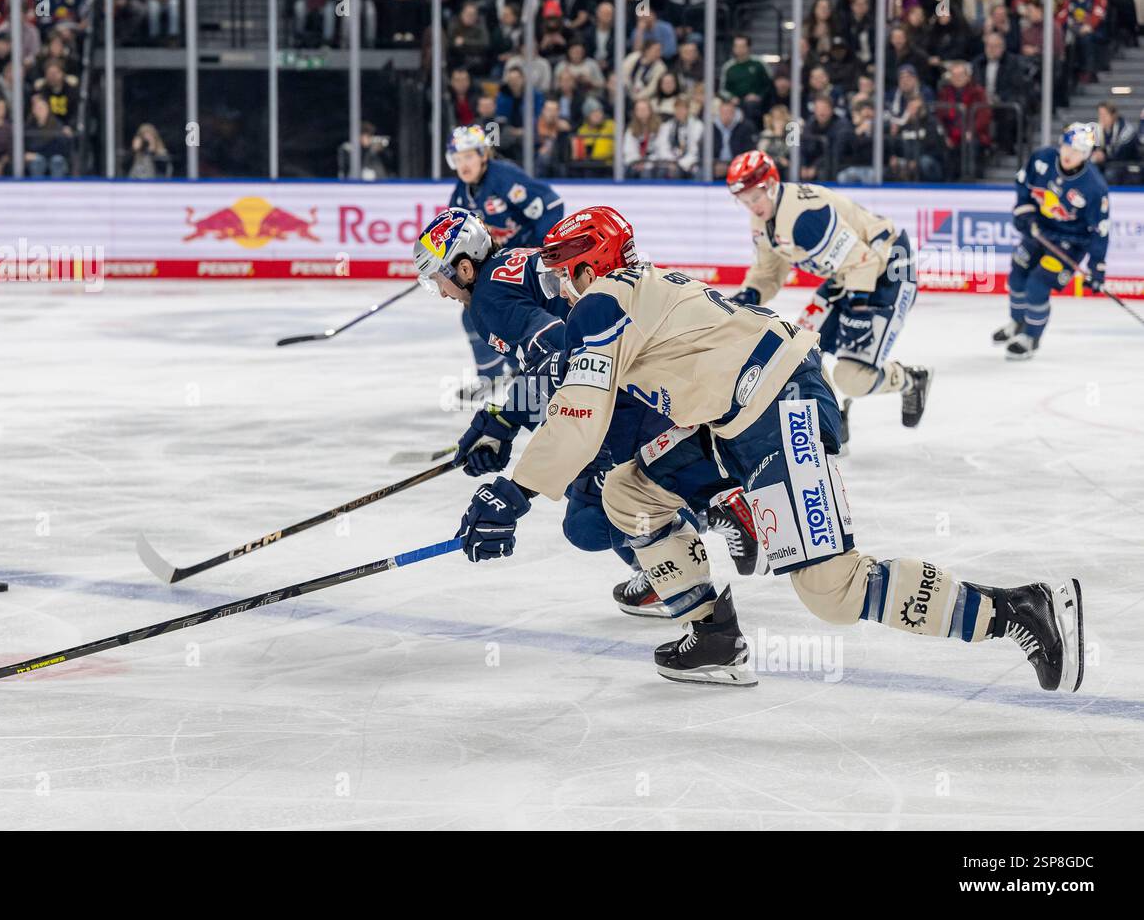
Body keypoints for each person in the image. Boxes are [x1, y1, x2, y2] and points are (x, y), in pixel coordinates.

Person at [451, 205, 1084, 693]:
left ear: (588, 264)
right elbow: (583, 395)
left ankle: (1018, 610)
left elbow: (579, 409)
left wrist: (514, 491)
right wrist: (508, 427)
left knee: (832, 591)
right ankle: (713, 636)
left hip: (782, 409)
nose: (559, 286)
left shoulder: (601, 304)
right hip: (741, 415)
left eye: (564, 272)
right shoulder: (635, 288)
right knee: (628, 490)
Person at [415, 207, 759, 614]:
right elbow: (546, 362)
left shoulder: (487, 300)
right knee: (589, 517)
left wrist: (509, 432)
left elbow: (558, 353)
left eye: (438, 278)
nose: (440, 291)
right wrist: (501, 421)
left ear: (465, 269)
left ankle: (710, 507)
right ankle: (692, 526)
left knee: (595, 516)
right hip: (641, 369)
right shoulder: (505, 268)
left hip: (620, 387)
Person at [726, 151, 932, 439]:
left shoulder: (804, 218)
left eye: (756, 195)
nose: (752, 205)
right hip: (852, 273)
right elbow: (769, 271)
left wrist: (858, 310)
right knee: (800, 351)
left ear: (772, 183)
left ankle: (911, 379)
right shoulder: (764, 219)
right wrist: (747, 297)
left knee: (853, 378)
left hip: (889, 269)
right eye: (744, 199)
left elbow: (865, 261)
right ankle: (836, 415)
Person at [446, 124, 563, 392]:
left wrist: (541, 253)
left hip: (524, 263)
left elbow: (551, 205)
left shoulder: (504, 178)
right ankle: (506, 374)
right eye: (457, 158)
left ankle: (508, 375)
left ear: (483, 155)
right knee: (477, 315)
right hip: (500, 263)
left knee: (497, 313)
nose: (463, 164)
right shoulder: (461, 193)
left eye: (468, 156)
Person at [993, 123, 1110, 360]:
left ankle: (1031, 337)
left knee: (1037, 285)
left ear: (1086, 155)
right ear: (1061, 144)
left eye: (1078, 151)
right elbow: (1023, 185)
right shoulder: (1042, 159)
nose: (1070, 154)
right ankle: (1017, 323)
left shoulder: (1094, 187)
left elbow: (1100, 229)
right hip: (1039, 232)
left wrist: (1097, 267)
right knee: (1017, 276)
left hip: (1070, 243)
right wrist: (1024, 213)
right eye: (1068, 147)